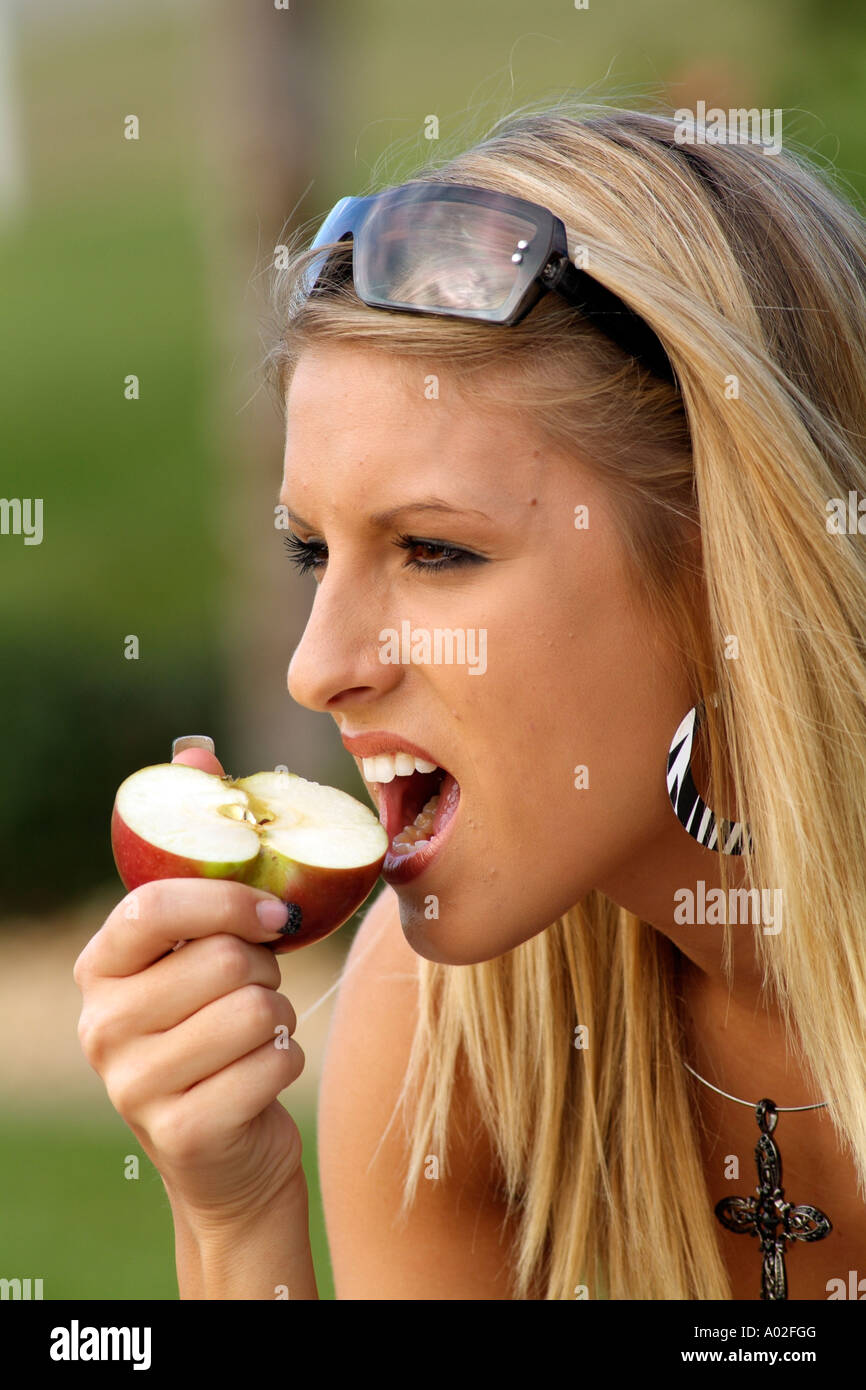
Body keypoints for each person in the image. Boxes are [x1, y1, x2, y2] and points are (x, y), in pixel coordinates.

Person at [74, 103, 866, 1300]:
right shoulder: (454, 1027)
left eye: (433, 551)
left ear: (725, 573)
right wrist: (234, 1223)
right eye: (310, 553)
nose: (315, 665)